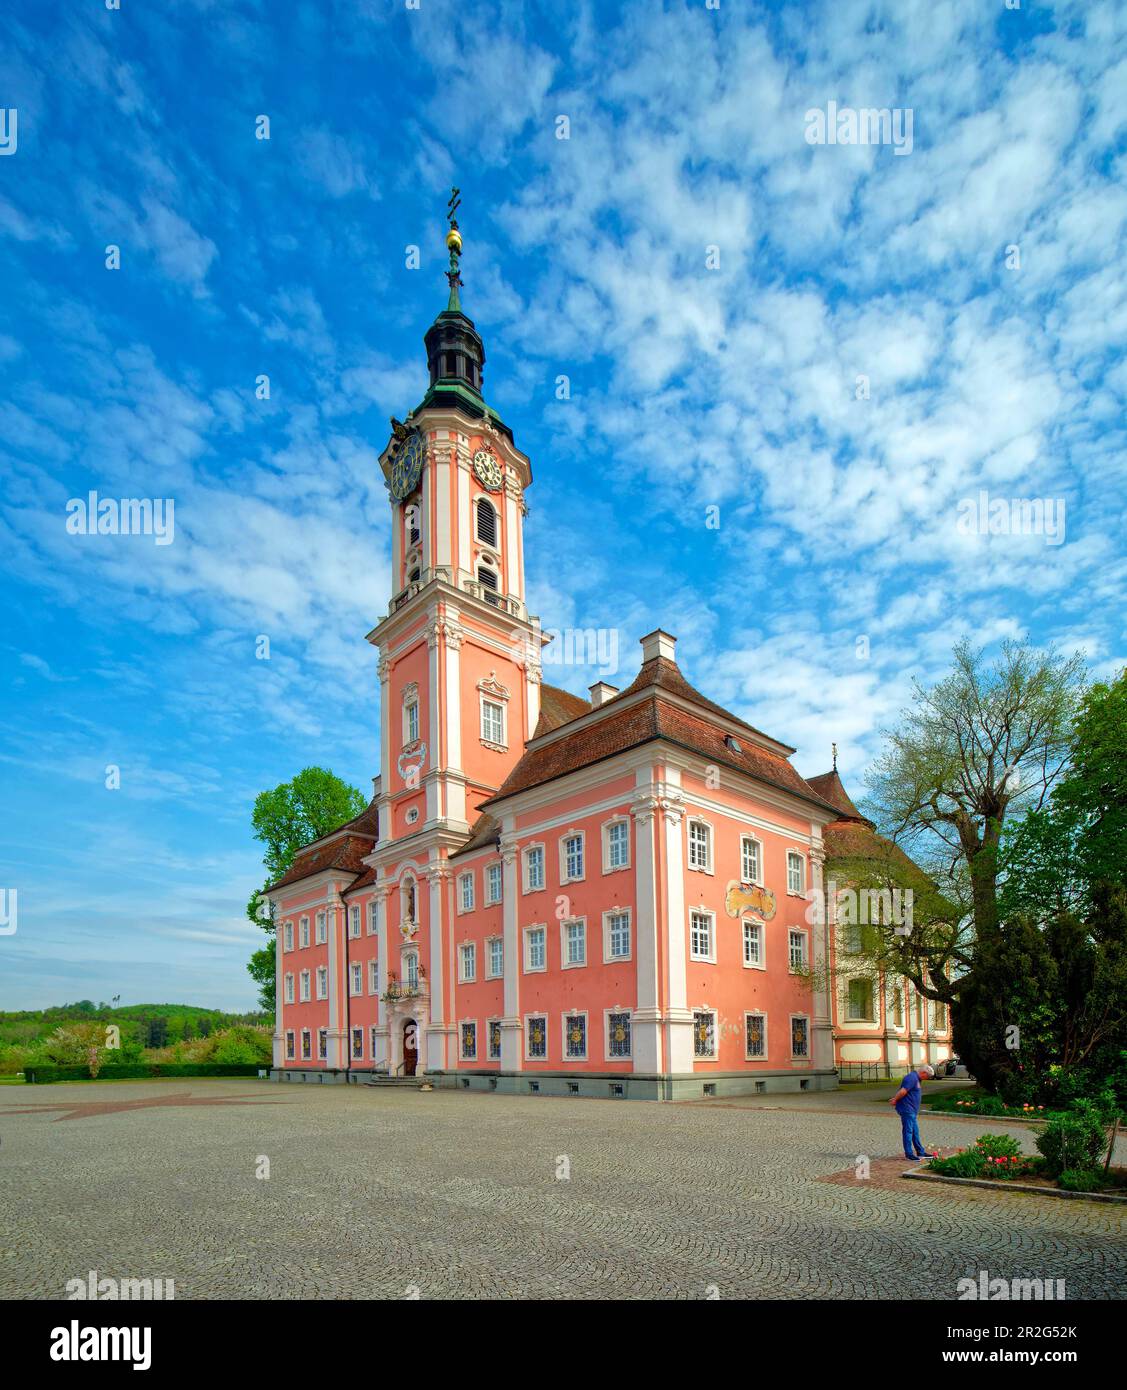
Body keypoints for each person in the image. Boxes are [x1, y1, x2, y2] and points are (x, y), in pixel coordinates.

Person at [889, 1065, 936, 1160]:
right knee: (908, 1131)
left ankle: (920, 1152)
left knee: (915, 1132)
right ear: (923, 1073)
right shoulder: (912, 1078)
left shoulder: (917, 1079)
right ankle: (909, 1154)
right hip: (907, 1109)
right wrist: (895, 1100)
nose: (927, 1079)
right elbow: (903, 1091)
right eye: (928, 1076)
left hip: (912, 1111)